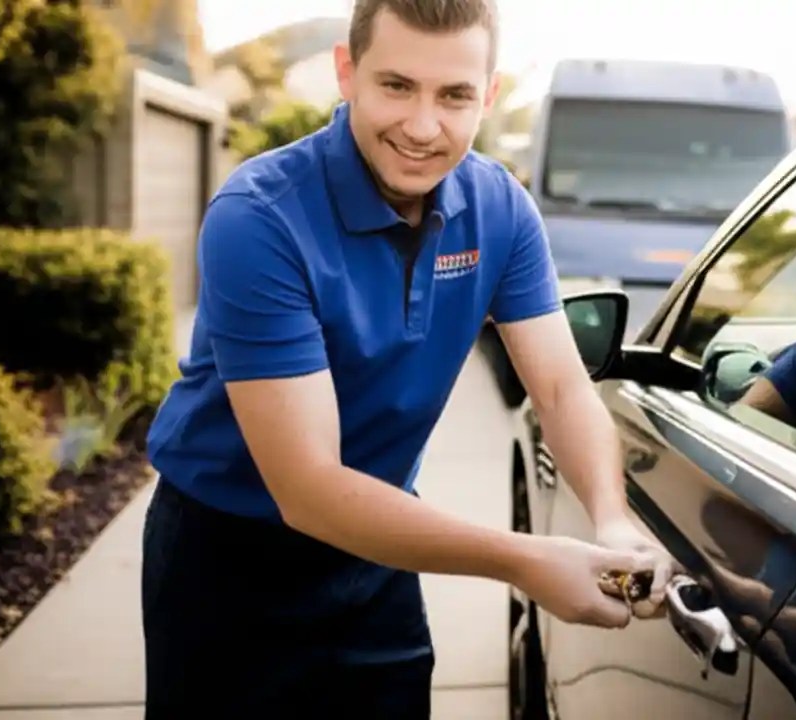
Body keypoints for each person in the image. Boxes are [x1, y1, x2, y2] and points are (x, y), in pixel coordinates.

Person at [139, 1, 677, 717]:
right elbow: (308, 489)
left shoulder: (501, 209)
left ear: (486, 95)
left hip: (383, 550)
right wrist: (526, 559)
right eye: (397, 86)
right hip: (226, 563)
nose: (424, 128)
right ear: (347, 73)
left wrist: (611, 518)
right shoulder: (260, 217)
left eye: (454, 95)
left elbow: (559, 387)